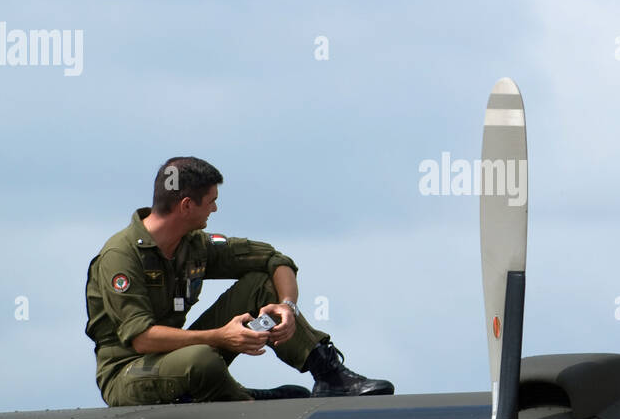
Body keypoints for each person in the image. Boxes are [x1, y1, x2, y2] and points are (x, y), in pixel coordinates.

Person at [85, 157, 394, 405]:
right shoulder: (120, 256)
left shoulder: (192, 245)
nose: (215, 208)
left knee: (261, 284)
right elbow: (142, 338)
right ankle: (244, 400)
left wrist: (287, 307)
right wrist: (221, 336)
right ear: (186, 206)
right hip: (128, 372)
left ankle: (329, 375)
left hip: (176, 357)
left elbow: (273, 259)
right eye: (211, 201)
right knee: (202, 359)